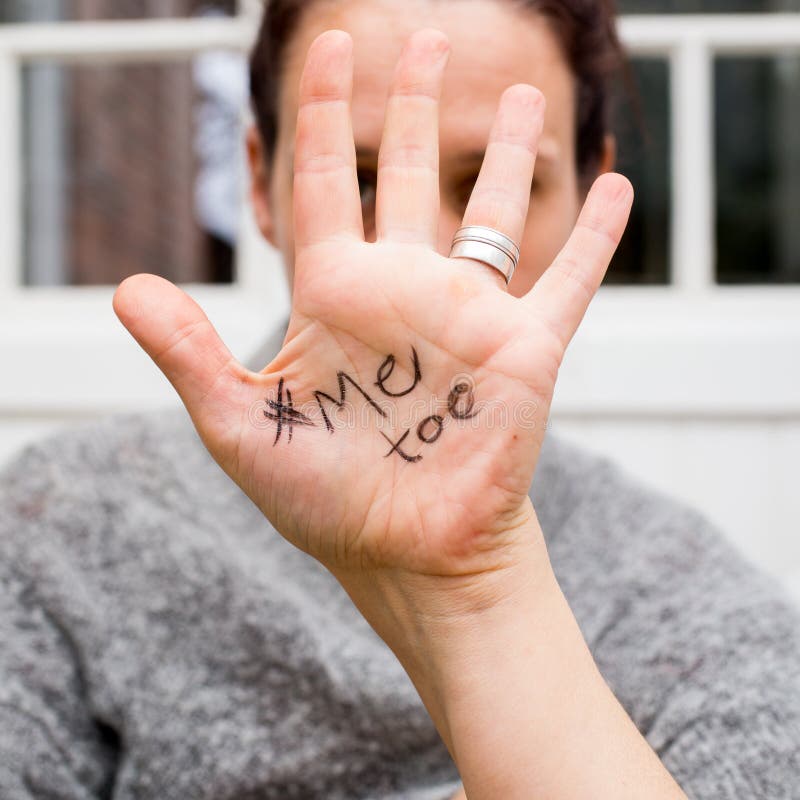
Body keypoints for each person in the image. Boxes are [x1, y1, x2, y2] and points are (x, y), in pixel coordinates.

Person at [1, 0, 799, 797]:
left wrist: (480, 592)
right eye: (358, 178)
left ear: (591, 196)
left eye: (500, 184)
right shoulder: (60, 528)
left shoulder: (683, 602)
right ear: (260, 182)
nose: (433, 260)